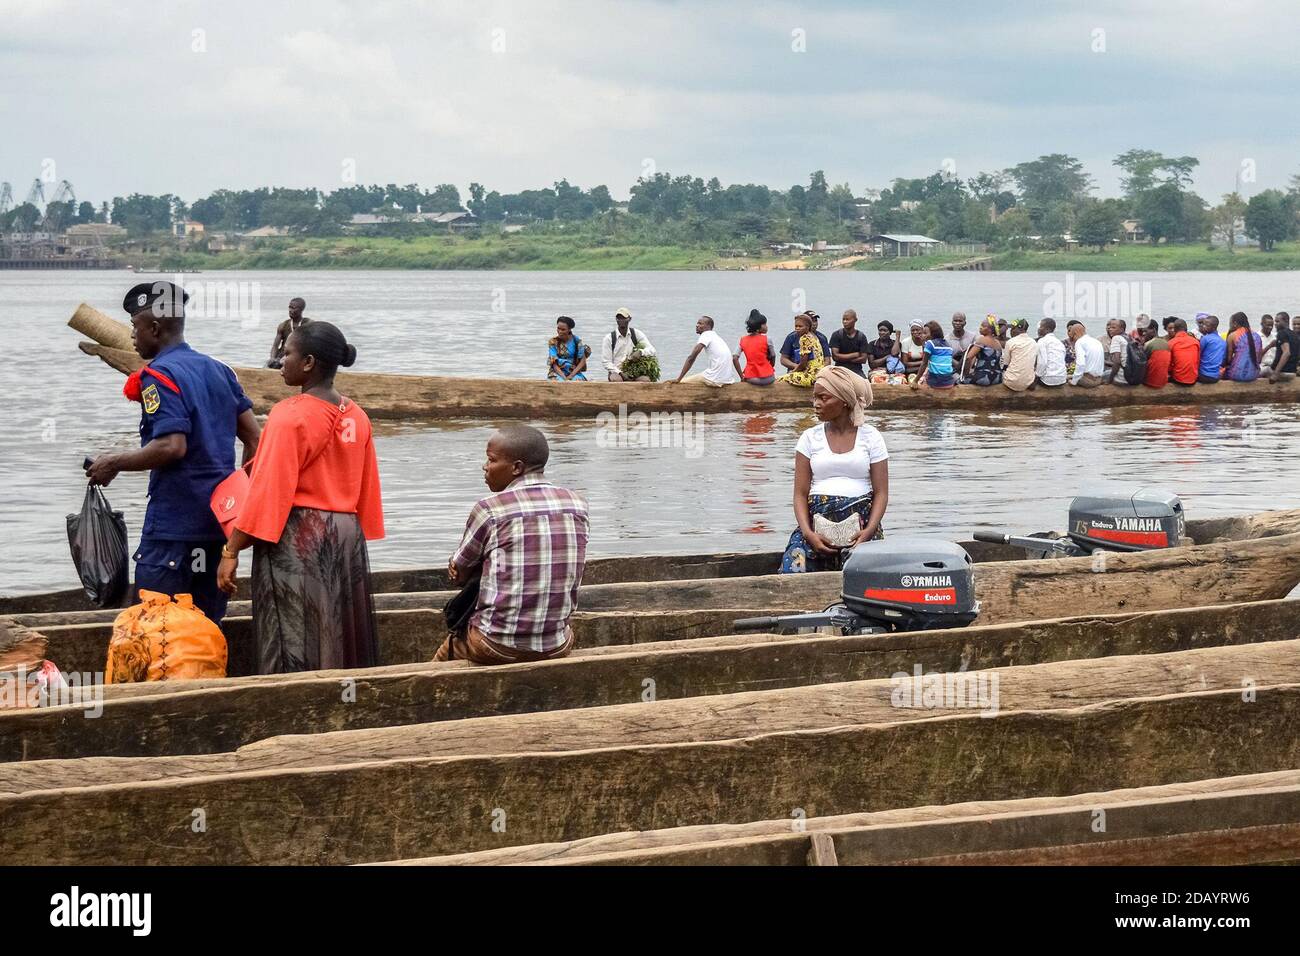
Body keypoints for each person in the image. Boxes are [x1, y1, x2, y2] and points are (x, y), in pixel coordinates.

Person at [85, 283, 261, 626]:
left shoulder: (159, 375)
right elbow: (255, 439)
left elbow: (171, 446)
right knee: (206, 627)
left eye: (135, 327)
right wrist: (240, 505)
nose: (132, 336)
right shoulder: (220, 370)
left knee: (156, 627)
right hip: (215, 528)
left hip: (173, 532)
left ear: (154, 328)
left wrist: (114, 462)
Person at [217, 322, 384, 673]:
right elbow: (366, 489)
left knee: (291, 628)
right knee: (335, 625)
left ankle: (294, 695)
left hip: (300, 535)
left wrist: (230, 550)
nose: (279, 361)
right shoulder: (358, 416)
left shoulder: (288, 414)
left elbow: (267, 493)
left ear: (308, 362)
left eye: (287, 353)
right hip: (345, 535)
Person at [433, 425, 589, 665]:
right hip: (557, 643)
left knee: (445, 657)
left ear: (516, 467)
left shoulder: (489, 509)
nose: (485, 466)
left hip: (494, 643)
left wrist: (463, 567)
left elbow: (459, 574)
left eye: (491, 460)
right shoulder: (577, 504)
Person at [781, 366, 887, 574]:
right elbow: (800, 495)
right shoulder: (810, 438)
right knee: (794, 567)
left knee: (875, 575)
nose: (816, 404)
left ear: (844, 401)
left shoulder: (871, 437)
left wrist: (867, 532)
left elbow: (881, 493)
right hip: (815, 526)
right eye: (815, 398)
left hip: (862, 527)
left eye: (823, 398)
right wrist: (808, 533)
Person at [674, 315, 735, 386]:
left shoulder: (705, 335)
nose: (697, 325)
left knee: (681, 383)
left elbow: (691, 358)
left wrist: (679, 379)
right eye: (697, 323)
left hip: (714, 378)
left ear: (708, 326)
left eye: (700, 323)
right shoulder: (716, 337)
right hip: (727, 379)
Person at [601, 307, 656, 381]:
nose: (621, 321)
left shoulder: (636, 334)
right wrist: (620, 373)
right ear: (616, 320)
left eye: (624, 318)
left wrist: (641, 352)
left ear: (629, 319)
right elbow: (606, 362)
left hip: (634, 372)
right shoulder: (609, 338)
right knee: (616, 380)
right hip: (616, 372)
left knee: (645, 380)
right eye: (619, 318)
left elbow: (652, 350)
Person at [776, 312, 827, 387]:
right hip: (818, 376)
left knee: (780, 379)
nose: (797, 328)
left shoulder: (805, 339)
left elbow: (803, 364)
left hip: (810, 377)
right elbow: (783, 359)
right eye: (796, 326)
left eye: (800, 326)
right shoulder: (814, 336)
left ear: (807, 327)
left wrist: (793, 372)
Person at [733, 309, 776, 386]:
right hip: (769, 378)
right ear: (759, 327)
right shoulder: (767, 339)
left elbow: (735, 358)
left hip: (751, 378)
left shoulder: (742, 340)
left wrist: (742, 377)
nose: (767, 326)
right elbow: (773, 355)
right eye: (765, 324)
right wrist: (770, 366)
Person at [266, 298, 312, 369]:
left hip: (298, 357)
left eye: (293, 308)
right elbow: (275, 346)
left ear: (301, 309)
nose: (290, 310)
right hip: (282, 358)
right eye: (290, 307)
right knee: (268, 365)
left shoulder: (308, 324)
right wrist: (272, 358)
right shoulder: (283, 325)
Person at [960, 316, 1003, 386]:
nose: (980, 327)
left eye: (983, 326)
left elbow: (968, 358)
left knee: (958, 381)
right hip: (998, 377)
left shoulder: (981, 340)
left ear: (990, 329)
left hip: (984, 377)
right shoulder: (998, 343)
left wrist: (965, 375)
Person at [829, 309, 870, 377]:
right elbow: (835, 357)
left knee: (865, 384)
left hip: (856, 370)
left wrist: (843, 358)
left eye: (847, 319)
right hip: (840, 369)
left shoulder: (861, 337)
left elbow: (863, 359)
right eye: (843, 319)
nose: (845, 322)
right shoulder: (837, 335)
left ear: (855, 320)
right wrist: (854, 355)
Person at [916, 320, 956, 389]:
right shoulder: (947, 345)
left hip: (936, 383)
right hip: (949, 383)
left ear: (933, 334)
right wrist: (923, 342)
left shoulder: (930, 344)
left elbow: (924, 363)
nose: (922, 335)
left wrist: (915, 381)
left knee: (921, 380)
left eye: (925, 333)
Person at [1000, 319, 1038, 392]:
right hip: (1028, 382)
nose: (1011, 331)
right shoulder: (1033, 342)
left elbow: (1005, 364)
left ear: (1017, 329)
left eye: (1012, 329)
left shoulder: (1010, 342)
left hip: (1010, 382)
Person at [547, 316, 589, 381]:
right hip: (557, 372)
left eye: (563, 329)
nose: (560, 331)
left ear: (569, 329)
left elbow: (582, 361)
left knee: (577, 382)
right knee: (558, 382)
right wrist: (565, 379)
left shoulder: (576, 341)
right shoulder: (553, 342)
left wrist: (571, 376)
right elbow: (554, 364)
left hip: (573, 371)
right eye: (558, 328)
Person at [1224, 312, 1262, 383]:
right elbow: (1259, 360)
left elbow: (1228, 360)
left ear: (1235, 323)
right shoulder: (1257, 336)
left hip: (1237, 375)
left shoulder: (1232, 336)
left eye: (1230, 323)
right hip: (1254, 374)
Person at [1067, 320, 1106, 387]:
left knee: (1065, 380)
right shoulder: (1096, 341)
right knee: (1068, 376)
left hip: (1087, 381)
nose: (1073, 339)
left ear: (1076, 333)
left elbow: (1081, 364)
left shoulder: (1080, 342)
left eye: (1073, 337)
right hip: (1099, 380)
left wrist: (1073, 382)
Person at [1034, 318, 1067, 387]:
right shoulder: (1059, 342)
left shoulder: (1042, 341)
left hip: (1048, 381)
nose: (1038, 329)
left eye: (1040, 327)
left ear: (1047, 329)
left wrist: (1036, 378)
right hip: (1062, 379)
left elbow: (1042, 363)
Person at [1167, 318, 1200, 386]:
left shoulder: (1171, 343)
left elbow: (1168, 365)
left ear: (1175, 330)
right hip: (1193, 379)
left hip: (1178, 380)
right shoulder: (1196, 342)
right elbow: (1198, 361)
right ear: (1186, 329)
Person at [1268, 311, 1298, 383]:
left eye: (1278, 321)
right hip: (1293, 371)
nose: (1275, 324)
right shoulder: (1294, 335)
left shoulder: (1281, 333)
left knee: (1262, 370)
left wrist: (1275, 374)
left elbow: (1286, 353)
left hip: (1283, 372)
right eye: (1275, 322)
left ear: (1286, 321)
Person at [1140, 320, 1172, 388]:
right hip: (1164, 381)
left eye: (1145, 331)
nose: (1143, 334)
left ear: (1154, 330)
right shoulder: (1167, 343)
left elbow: (1142, 363)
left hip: (1150, 382)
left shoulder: (1148, 344)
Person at [1196, 314, 1226, 384]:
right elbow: (1223, 360)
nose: (1203, 326)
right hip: (1216, 377)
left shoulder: (1205, 339)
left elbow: (1198, 356)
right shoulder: (1223, 341)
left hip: (1203, 376)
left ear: (1214, 327)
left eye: (1206, 325)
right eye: (1203, 324)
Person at [1105, 318, 1130, 385]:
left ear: (1122, 329)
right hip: (1133, 376)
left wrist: (1109, 381)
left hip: (1123, 379)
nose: (1110, 329)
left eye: (1113, 327)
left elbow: (1117, 362)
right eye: (1109, 327)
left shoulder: (1116, 338)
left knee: (1100, 375)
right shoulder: (1129, 337)